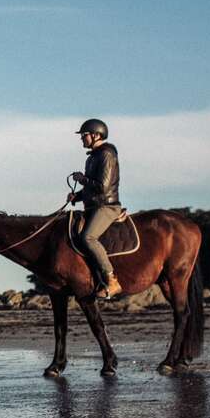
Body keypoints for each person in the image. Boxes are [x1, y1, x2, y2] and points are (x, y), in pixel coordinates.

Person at [67, 118, 124, 299]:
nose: (82, 139)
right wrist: (78, 196)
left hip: (106, 206)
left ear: (96, 135)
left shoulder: (106, 154)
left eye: (84, 135)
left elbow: (103, 187)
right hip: (93, 206)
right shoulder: (93, 157)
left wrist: (82, 179)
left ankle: (112, 280)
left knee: (88, 237)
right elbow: (92, 188)